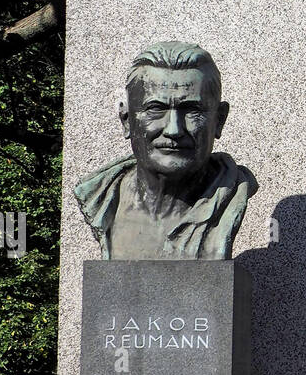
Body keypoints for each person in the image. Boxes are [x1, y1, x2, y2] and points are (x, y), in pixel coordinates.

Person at [74, 42, 257, 259]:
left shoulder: (234, 193)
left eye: (192, 110)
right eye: (156, 108)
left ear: (219, 120)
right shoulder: (101, 198)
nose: (173, 130)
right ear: (126, 120)